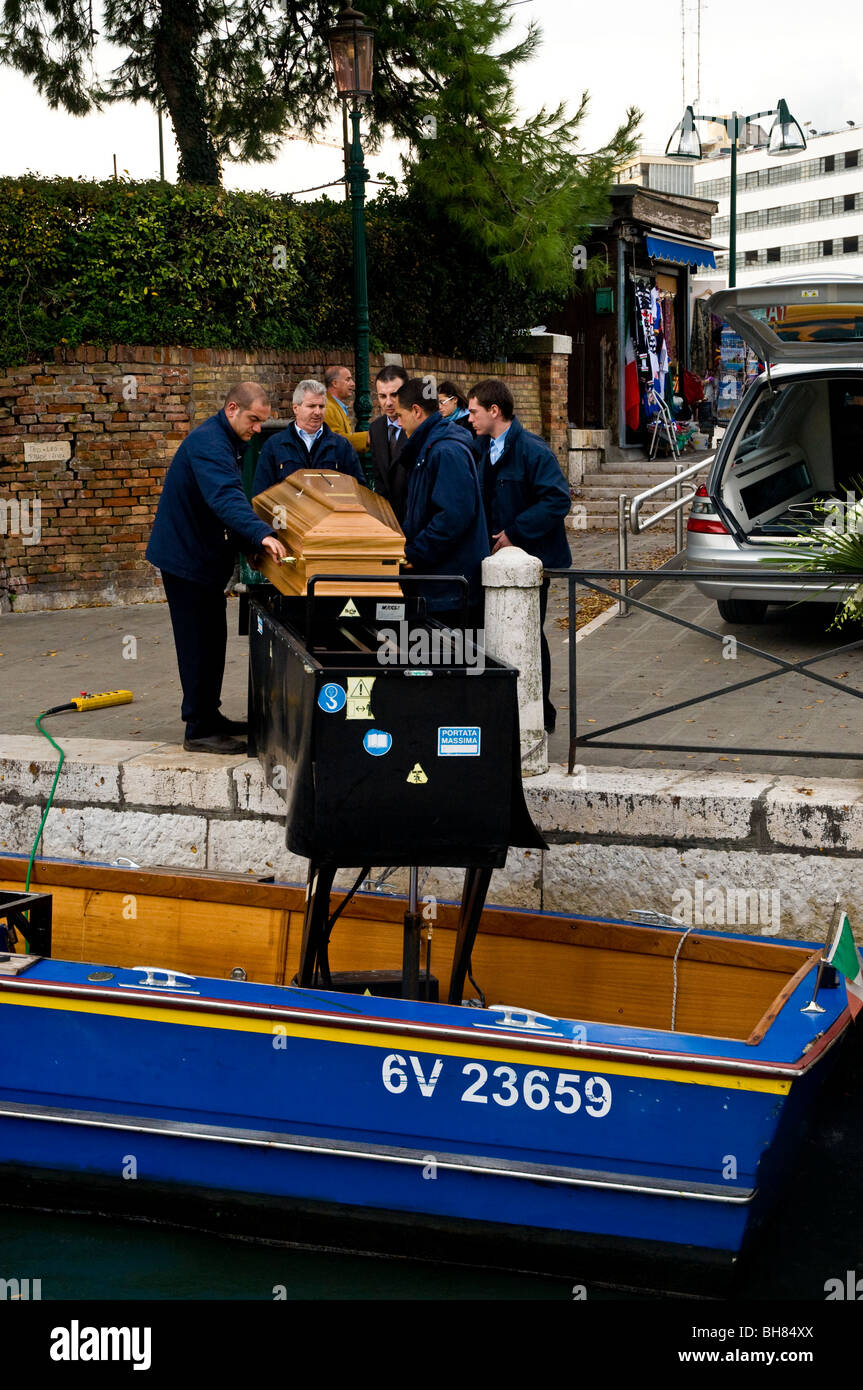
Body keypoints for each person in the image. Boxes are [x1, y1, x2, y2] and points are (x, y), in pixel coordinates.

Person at [146, 382, 287, 755]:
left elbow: (227, 505)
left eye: (262, 422)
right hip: (185, 560)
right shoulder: (209, 444)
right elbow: (224, 497)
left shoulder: (227, 441)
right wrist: (260, 536)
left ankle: (210, 715)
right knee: (198, 643)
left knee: (213, 640)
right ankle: (198, 729)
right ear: (231, 409)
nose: (258, 429)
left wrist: (250, 546)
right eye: (253, 420)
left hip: (201, 559)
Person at [468, 378, 571, 733]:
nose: (470, 419)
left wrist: (515, 533)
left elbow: (558, 500)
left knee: (529, 633)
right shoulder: (480, 449)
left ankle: (539, 712)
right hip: (491, 561)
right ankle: (504, 709)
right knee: (495, 634)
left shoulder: (533, 450)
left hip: (533, 562)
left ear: (494, 411)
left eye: (474, 411)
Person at [395, 377, 488, 626]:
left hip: (449, 588)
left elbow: (453, 515)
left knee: (447, 661)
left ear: (416, 411)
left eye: (401, 414)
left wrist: (416, 554)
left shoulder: (445, 450)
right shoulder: (432, 445)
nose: (398, 422)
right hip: (441, 584)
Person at [253, 380, 366, 493]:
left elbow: (359, 490)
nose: (317, 412)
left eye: (321, 406)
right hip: (289, 510)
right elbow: (261, 494)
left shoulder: (342, 446)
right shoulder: (274, 446)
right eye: (311, 406)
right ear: (295, 408)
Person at [368, 364, 409, 522]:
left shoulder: (417, 427)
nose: (388, 402)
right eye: (382, 396)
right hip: (387, 517)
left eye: (394, 395)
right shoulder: (375, 428)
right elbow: (379, 477)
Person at [323, 365, 369, 454]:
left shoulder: (334, 405)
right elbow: (335, 439)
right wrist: (368, 437)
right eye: (347, 380)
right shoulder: (328, 407)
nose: (353, 383)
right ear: (335, 383)